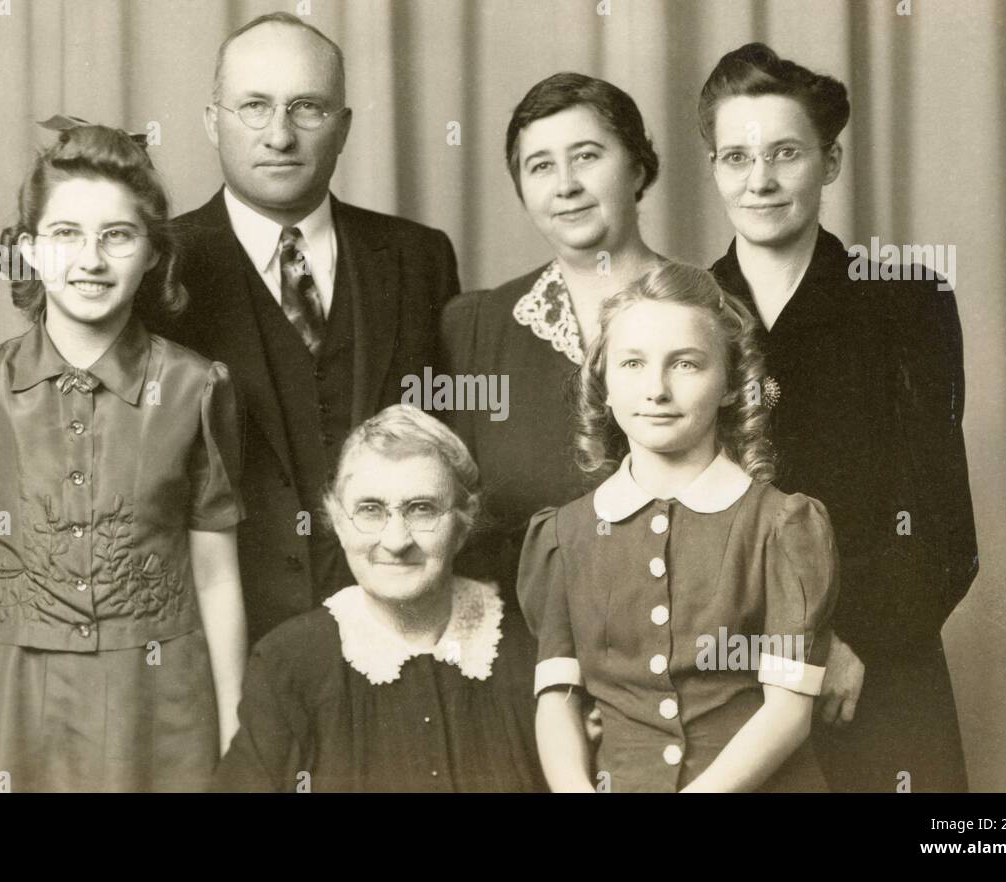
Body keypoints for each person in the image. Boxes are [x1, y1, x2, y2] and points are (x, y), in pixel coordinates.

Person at [0, 122, 246, 792]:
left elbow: (215, 576)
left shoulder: (196, 388)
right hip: (16, 705)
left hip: (162, 705)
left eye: (117, 236)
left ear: (153, 252)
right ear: (31, 250)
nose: (91, 259)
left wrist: (237, 734)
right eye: (66, 233)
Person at [701, 42, 977, 791]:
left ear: (830, 163)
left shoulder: (905, 303)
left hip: (876, 670)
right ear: (715, 168)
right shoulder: (683, 309)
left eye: (785, 153)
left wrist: (851, 638)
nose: (759, 180)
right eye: (735, 157)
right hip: (722, 675)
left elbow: (944, 525)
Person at [146, 13, 460, 645]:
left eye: (307, 108)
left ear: (343, 128)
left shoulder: (420, 257)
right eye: (254, 107)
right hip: (222, 645)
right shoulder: (156, 267)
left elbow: (451, 450)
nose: (280, 135)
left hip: (400, 634)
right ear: (213, 122)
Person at [522, 261, 838, 792]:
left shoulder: (782, 526)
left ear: (733, 386)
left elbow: (787, 714)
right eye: (632, 364)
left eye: (686, 365)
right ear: (602, 384)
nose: (656, 390)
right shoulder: (564, 536)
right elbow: (558, 699)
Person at [213, 405, 544, 792]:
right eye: (370, 510)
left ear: (462, 521)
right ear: (338, 521)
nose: (396, 541)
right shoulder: (287, 665)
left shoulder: (533, 645)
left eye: (422, 509)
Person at [441, 72, 665, 619]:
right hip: (517, 650)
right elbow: (455, 518)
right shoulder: (474, 328)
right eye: (540, 166)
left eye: (587, 156)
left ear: (637, 168)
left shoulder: (714, 312)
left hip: (681, 647)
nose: (565, 185)